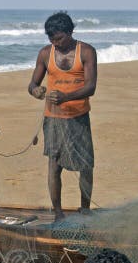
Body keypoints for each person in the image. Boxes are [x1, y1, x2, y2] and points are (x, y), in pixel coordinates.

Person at [27, 12, 97, 221]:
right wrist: (36, 91)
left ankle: (84, 208)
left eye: (59, 38)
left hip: (78, 116)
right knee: (54, 166)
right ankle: (58, 213)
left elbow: (91, 87)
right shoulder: (45, 54)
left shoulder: (86, 51)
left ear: (70, 32)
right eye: (51, 39)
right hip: (53, 118)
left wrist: (67, 97)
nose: (55, 43)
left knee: (85, 165)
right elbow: (32, 84)